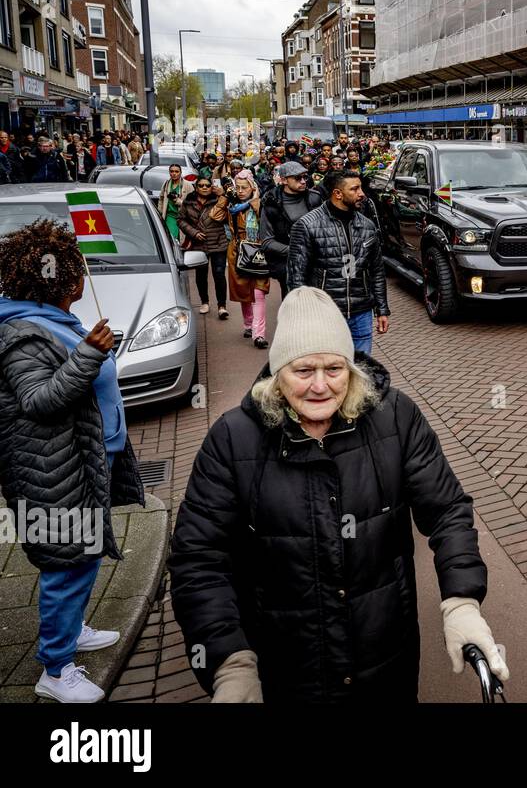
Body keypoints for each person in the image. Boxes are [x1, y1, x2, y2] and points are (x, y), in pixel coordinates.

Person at [169, 287, 507, 702]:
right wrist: (229, 662)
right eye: (303, 370)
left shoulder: (396, 417)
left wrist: (462, 601)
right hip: (285, 671)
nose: (320, 386)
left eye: (334, 369)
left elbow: (447, 510)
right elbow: (198, 558)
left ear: (351, 368)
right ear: (278, 373)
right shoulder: (231, 440)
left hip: (387, 660)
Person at [0, 220, 145, 702]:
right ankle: (56, 670)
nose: (84, 277)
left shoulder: (52, 318)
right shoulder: (22, 333)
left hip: (80, 462)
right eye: (77, 269)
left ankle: (72, 629)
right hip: (52, 472)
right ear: (62, 280)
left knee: (82, 555)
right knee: (66, 566)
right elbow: (39, 400)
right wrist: (88, 354)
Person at [287, 170, 390, 355]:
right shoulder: (307, 225)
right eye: (355, 189)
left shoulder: (367, 226)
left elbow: (377, 270)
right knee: (332, 365)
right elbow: (296, 276)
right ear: (338, 194)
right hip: (325, 313)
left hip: (361, 312)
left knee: (361, 368)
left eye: (361, 188)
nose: (362, 194)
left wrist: (382, 309)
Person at [226, 171, 271, 348]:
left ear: (253, 188)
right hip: (238, 251)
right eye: (237, 187)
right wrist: (225, 196)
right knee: (244, 292)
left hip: (259, 251)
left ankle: (258, 334)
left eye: (244, 187)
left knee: (259, 293)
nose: (240, 191)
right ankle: (248, 324)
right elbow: (215, 216)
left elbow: (267, 222)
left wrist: (255, 201)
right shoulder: (231, 206)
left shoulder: (261, 204)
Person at [179, 176, 231, 318]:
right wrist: (193, 232)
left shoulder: (219, 199)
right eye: (201, 185)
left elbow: (228, 216)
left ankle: (222, 306)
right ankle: (204, 302)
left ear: (211, 187)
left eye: (207, 185)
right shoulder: (189, 201)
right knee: (201, 275)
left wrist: (223, 195)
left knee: (219, 274)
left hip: (218, 242)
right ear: (196, 188)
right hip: (198, 244)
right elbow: (181, 220)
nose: (204, 188)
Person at [157, 164, 193, 241]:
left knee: (182, 239)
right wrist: (160, 213)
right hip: (170, 216)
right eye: (172, 171)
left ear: (180, 172)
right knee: (171, 238)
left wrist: (179, 201)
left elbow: (193, 203)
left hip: (183, 217)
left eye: (176, 171)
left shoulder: (187, 185)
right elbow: (161, 198)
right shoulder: (166, 184)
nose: (174, 173)